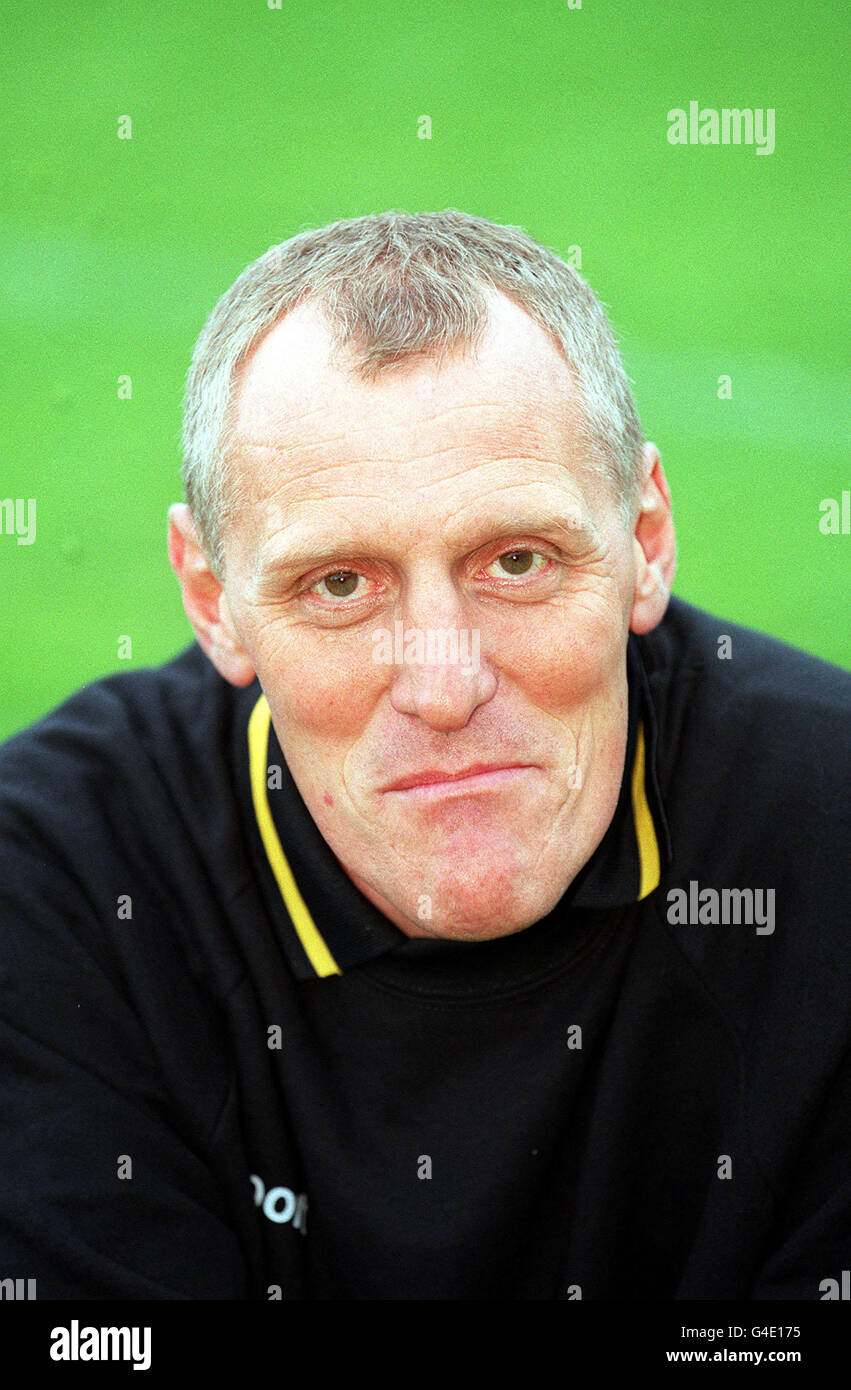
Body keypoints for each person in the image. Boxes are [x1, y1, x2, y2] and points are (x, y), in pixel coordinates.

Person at [0, 210, 848, 1300]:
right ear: (212, 600)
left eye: (516, 560)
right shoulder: (53, 890)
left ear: (643, 541)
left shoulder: (826, 840)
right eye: (339, 586)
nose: (443, 686)